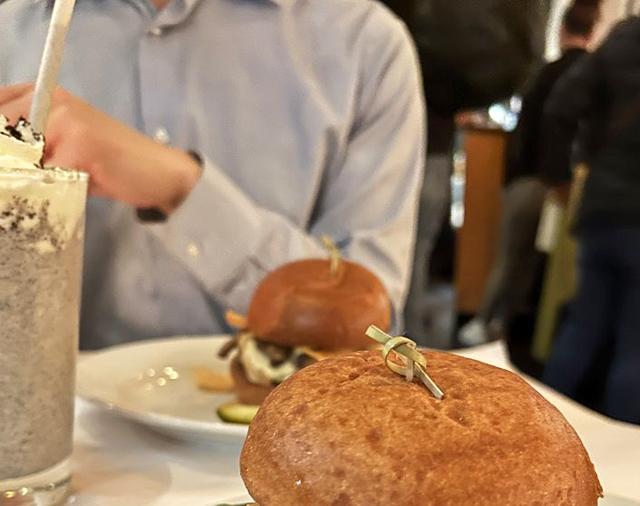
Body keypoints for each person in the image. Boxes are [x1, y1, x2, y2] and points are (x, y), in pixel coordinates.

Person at [0, 0, 424, 349]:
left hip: (284, 421)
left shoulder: (364, 44)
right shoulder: (11, 34)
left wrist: (180, 187)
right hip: (48, 419)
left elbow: (372, 329)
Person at [540, 0, 640, 425]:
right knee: (638, 350)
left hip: (602, 209)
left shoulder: (623, 38)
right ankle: (617, 458)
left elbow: (560, 107)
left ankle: (545, 435)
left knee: (581, 330)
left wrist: (559, 179)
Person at [382, 0, 549, 347]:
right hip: (428, 146)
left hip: (404, 141)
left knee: (395, 271)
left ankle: (397, 361)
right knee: (406, 266)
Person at [457, 0, 600, 349]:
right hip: (561, 187)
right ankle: (501, 331)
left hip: (528, 180)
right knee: (531, 267)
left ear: (561, 28)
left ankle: (482, 325)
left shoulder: (543, 73)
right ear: (594, 30)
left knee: (509, 260)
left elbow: (528, 128)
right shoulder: (590, 75)